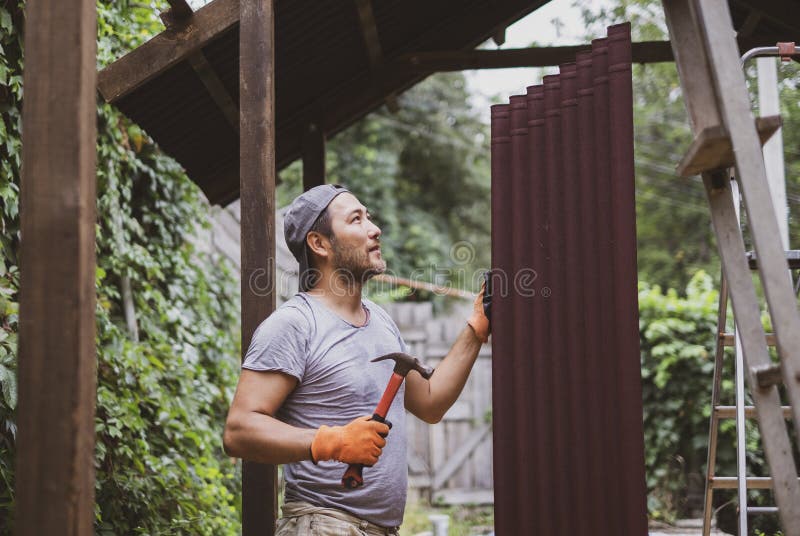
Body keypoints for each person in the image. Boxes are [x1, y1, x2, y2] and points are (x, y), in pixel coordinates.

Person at [223, 184, 490, 535]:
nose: (374, 229)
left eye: (369, 217)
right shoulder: (295, 324)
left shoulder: (380, 321)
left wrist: (476, 328)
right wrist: (332, 442)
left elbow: (430, 403)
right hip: (323, 524)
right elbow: (239, 430)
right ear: (319, 244)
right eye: (356, 219)